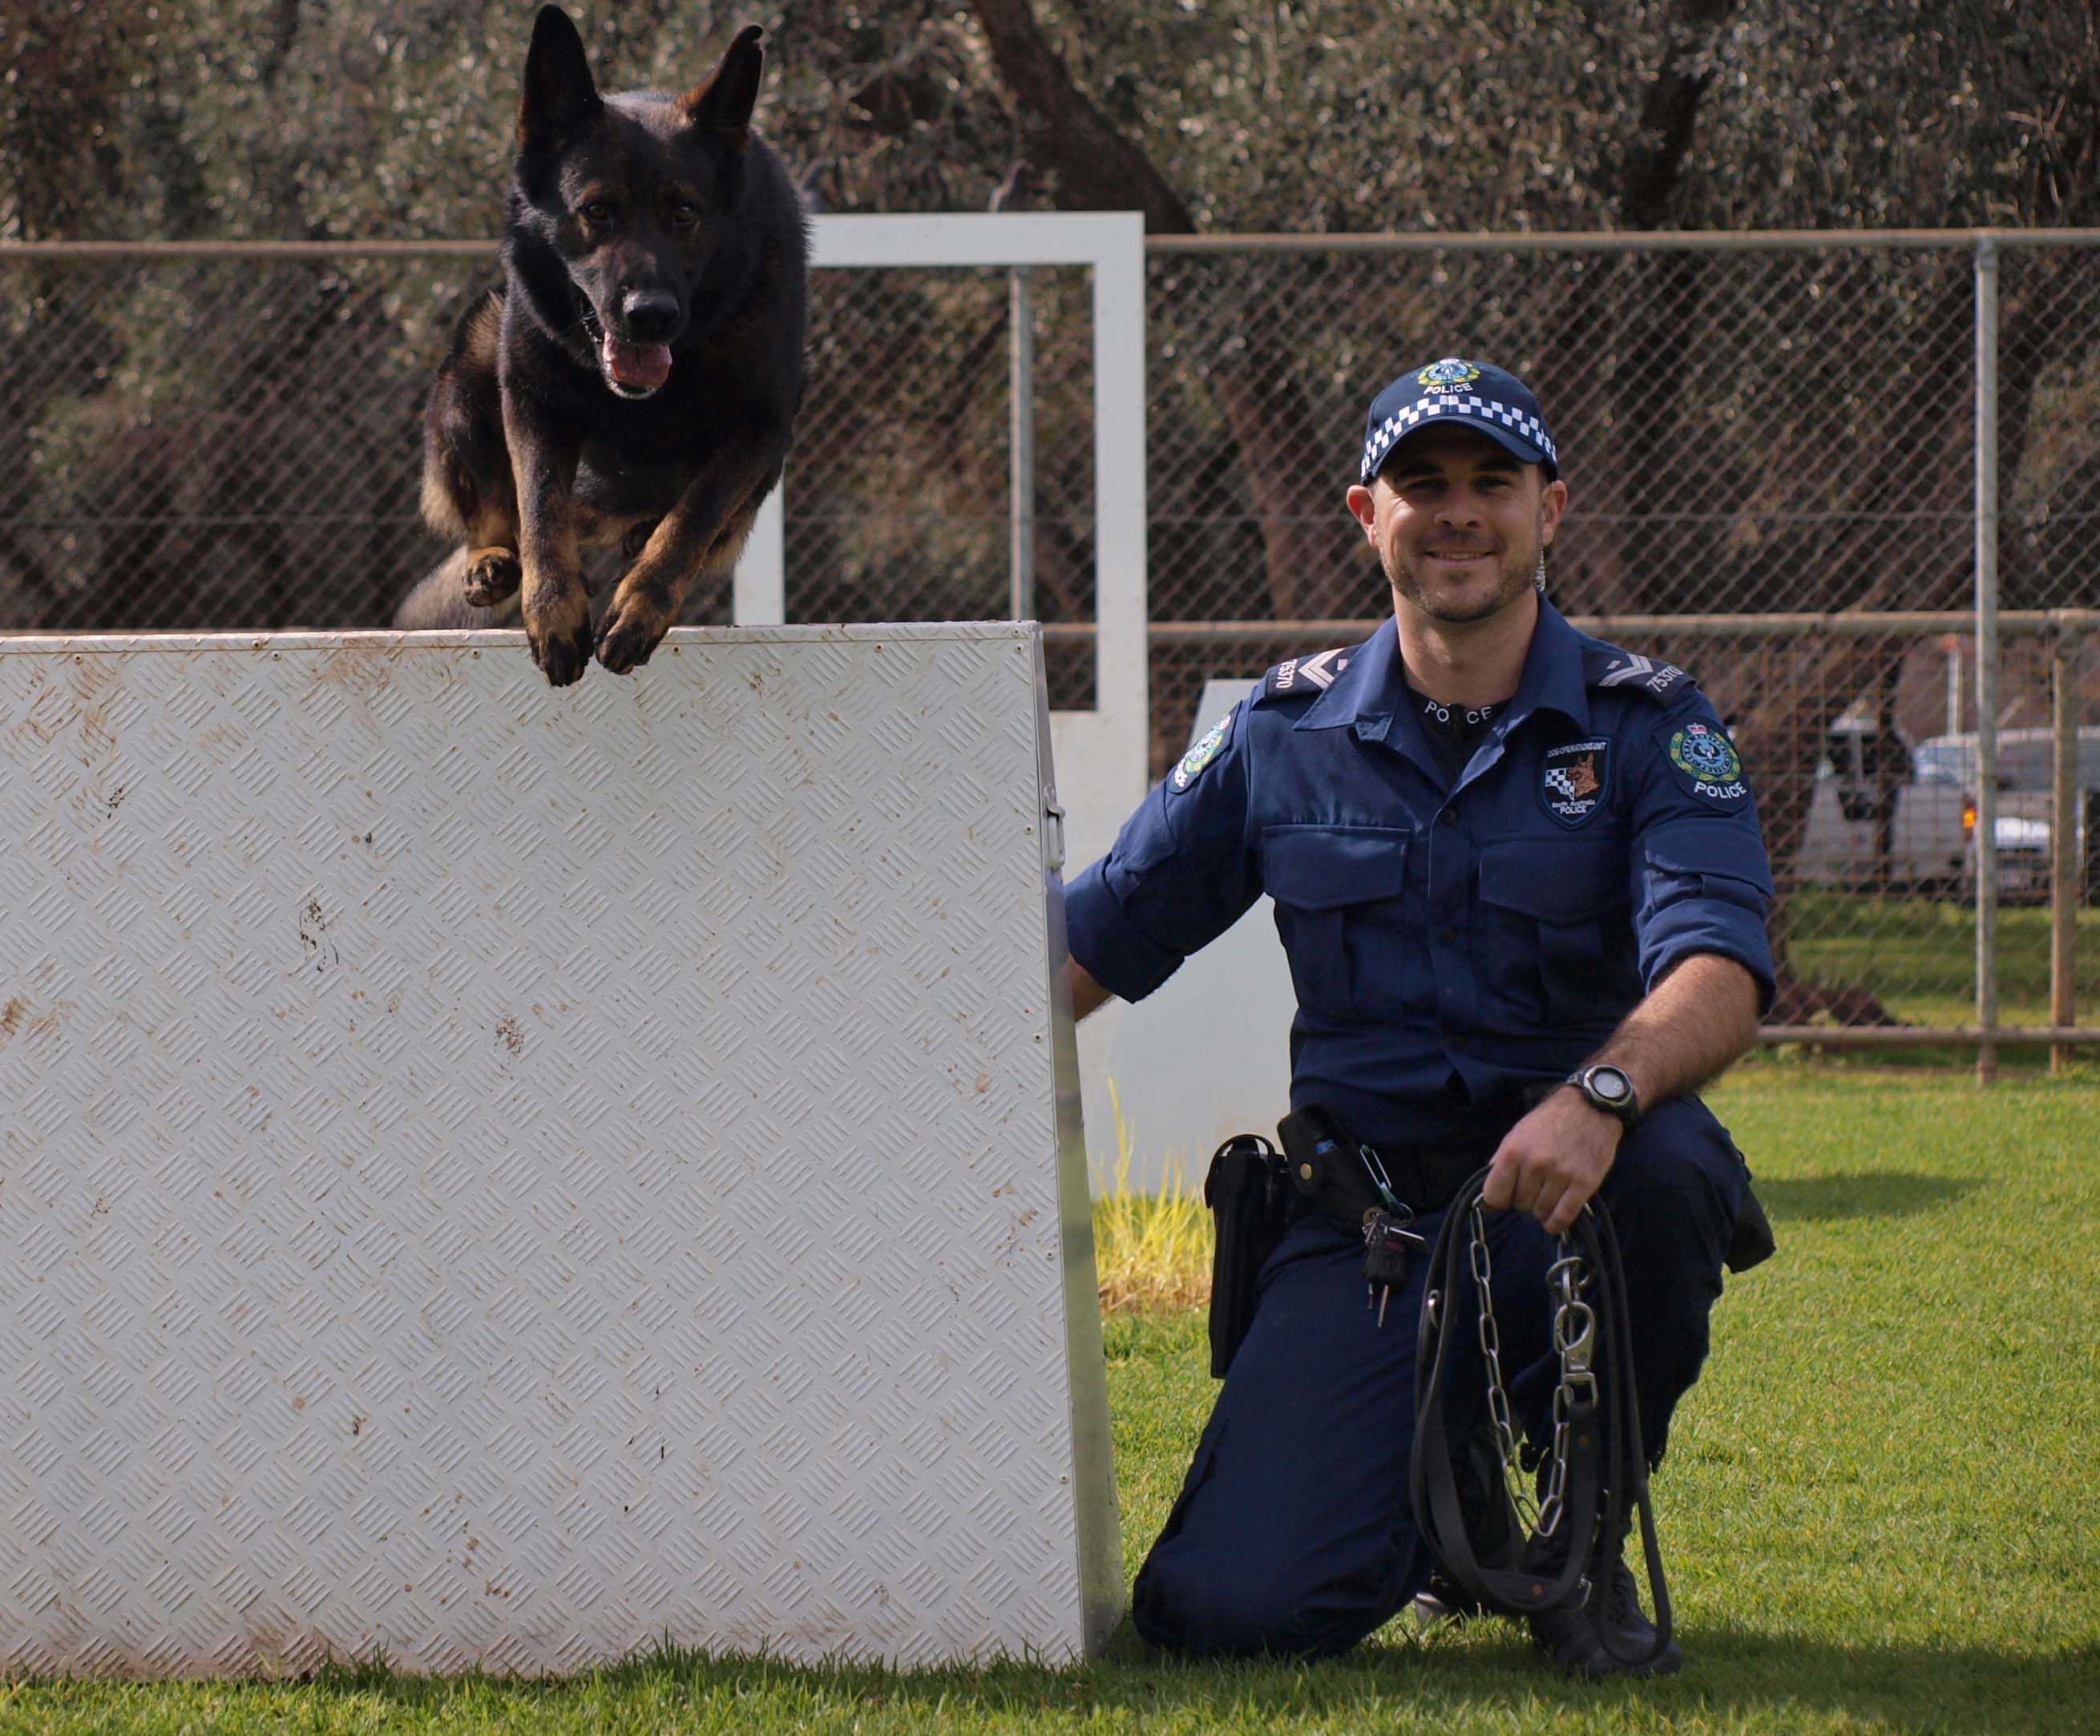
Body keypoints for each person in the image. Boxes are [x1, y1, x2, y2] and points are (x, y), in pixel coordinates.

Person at [1060, 357, 1775, 1677]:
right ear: (1363, 513)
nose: (1458, 514)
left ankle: (1580, 1531)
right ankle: (1446, 1519)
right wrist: (874, 1007)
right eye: (1422, 484)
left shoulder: (1645, 725)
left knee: (1672, 1164)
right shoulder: (1281, 733)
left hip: (1567, 1207)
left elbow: (1719, 965)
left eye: (1491, 483)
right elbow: (1088, 941)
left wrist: (1598, 1097)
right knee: (1229, 1616)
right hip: (1369, 1232)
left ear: (1550, 509)